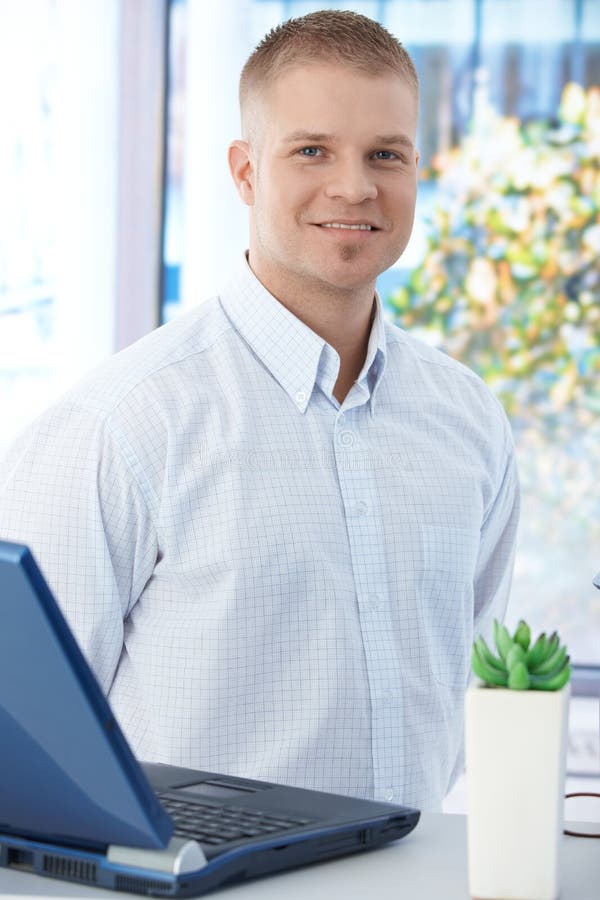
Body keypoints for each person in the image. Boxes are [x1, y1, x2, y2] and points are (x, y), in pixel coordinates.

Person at [0, 10, 519, 812]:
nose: (354, 186)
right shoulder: (117, 429)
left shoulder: (470, 421)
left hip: (423, 869)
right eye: (311, 150)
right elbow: (27, 755)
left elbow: (467, 693)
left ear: (418, 168)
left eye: (385, 154)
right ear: (245, 172)